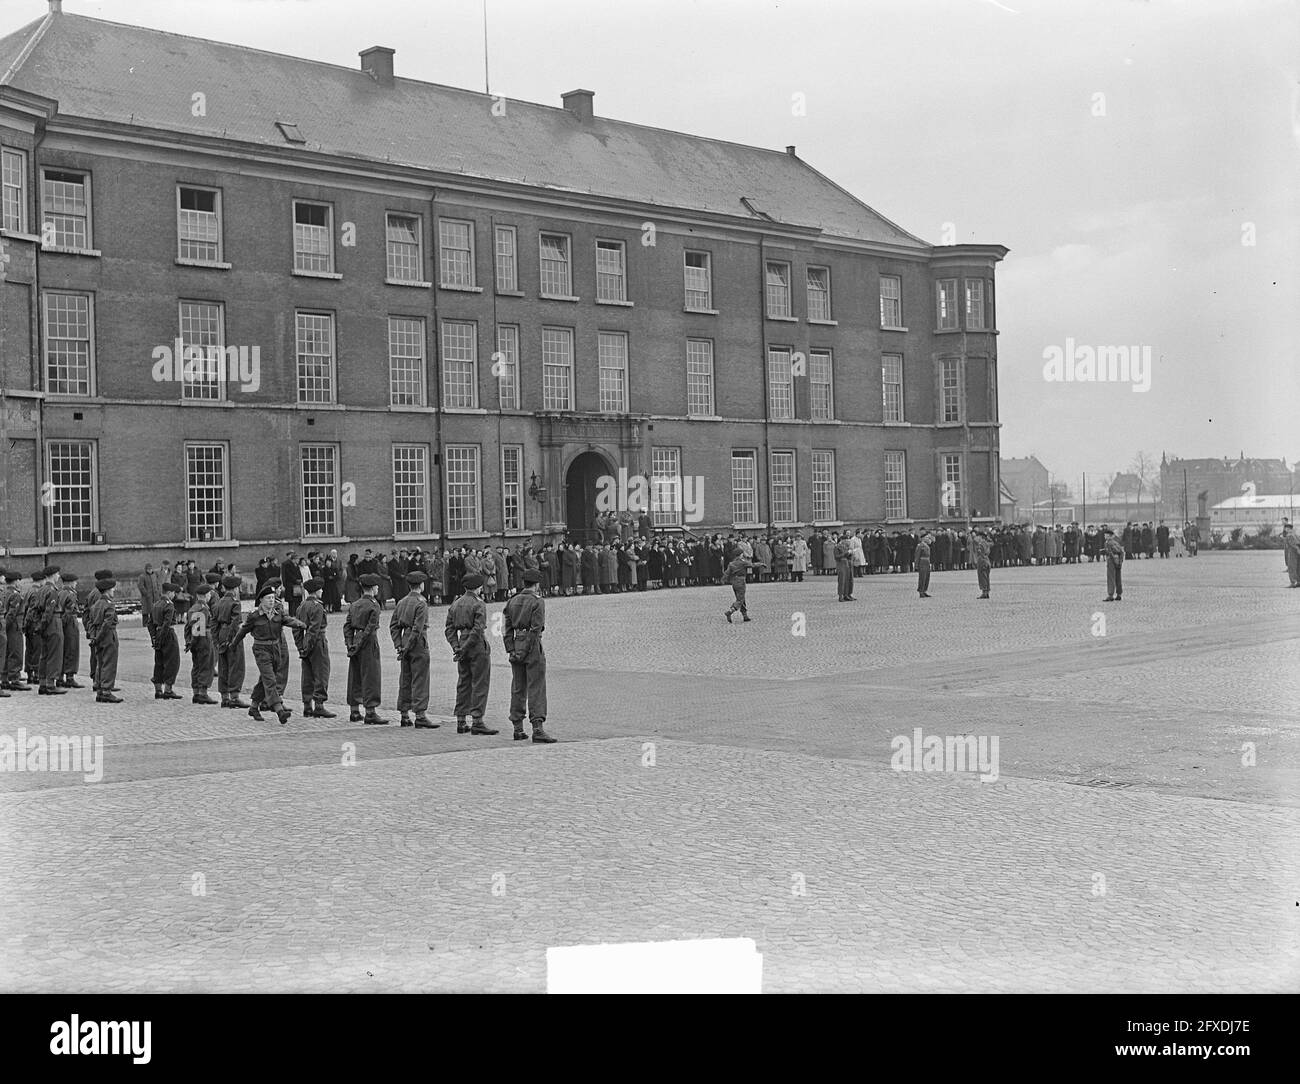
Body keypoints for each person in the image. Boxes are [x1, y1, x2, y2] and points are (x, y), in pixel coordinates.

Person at [230, 582, 306, 724]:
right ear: (261, 600)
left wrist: (301, 624)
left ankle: (253, 707)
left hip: (276, 649)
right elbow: (243, 631)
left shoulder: (278, 613)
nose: (272, 600)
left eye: (273, 597)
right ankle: (279, 710)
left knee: (265, 678)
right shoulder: (254, 616)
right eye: (268, 598)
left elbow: (287, 620)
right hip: (261, 650)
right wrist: (233, 644)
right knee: (270, 679)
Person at [503, 569, 555, 743]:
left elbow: (507, 629)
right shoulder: (537, 602)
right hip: (531, 647)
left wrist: (511, 649)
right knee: (536, 687)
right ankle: (537, 728)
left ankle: (517, 727)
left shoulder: (512, 601)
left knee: (518, 687)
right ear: (537, 584)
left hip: (517, 642)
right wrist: (525, 650)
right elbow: (536, 629)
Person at [444, 573, 497, 735]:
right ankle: (477, 720)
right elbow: (478, 629)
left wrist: (457, 647)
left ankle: (461, 720)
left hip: (461, 642)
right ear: (478, 587)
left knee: (464, 682)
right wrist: (465, 647)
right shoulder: (478, 604)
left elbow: (449, 629)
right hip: (475, 645)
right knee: (480, 682)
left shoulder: (456, 603)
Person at [390, 570, 436, 728]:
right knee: (420, 678)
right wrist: (408, 646)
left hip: (404, 639)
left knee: (405, 678)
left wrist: (400, 645)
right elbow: (417, 628)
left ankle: (404, 714)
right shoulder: (421, 603)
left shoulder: (401, 602)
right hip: (417, 642)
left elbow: (393, 626)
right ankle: (420, 714)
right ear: (421, 585)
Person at [344, 573, 387, 724]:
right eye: (376, 587)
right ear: (373, 588)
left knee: (355, 675)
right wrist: (360, 642)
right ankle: (370, 712)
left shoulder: (354, 604)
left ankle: (354, 711)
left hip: (355, 639)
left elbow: (348, 626)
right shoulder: (374, 605)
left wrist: (350, 644)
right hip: (368, 642)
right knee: (371, 676)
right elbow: (370, 628)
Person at [295, 576, 334, 718]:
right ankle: (319, 704)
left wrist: (301, 646)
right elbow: (314, 629)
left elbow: (296, 629)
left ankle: (307, 705)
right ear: (316, 591)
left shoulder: (301, 607)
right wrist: (309, 645)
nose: (322, 591)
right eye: (320, 589)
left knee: (307, 675)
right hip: (317, 642)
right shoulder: (317, 606)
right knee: (321, 673)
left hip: (305, 642)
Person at [212, 574, 250, 709]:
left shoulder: (219, 602)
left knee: (223, 665)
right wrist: (230, 640)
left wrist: (217, 640)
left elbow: (213, 622)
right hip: (233, 635)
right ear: (235, 589)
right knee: (236, 665)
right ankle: (234, 696)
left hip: (221, 633)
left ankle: (224, 696)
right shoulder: (235, 602)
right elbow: (235, 622)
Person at [88, 577, 121, 703]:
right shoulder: (109, 604)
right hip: (108, 635)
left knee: (100, 663)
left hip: (97, 635)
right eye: (112, 589)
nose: (113, 591)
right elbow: (107, 623)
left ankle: (100, 689)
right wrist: (100, 636)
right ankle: (107, 690)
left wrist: (94, 637)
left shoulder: (96, 605)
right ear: (107, 590)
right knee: (109, 663)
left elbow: (91, 622)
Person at [185, 583, 219, 704]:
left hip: (195, 641)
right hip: (203, 639)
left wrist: (189, 642)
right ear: (205, 595)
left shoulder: (193, 608)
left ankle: (196, 693)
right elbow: (199, 630)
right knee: (206, 665)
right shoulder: (203, 609)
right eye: (209, 594)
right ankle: (203, 693)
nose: (210, 596)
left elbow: (188, 627)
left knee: (196, 666)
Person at [150, 581, 184, 699]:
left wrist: (154, 637)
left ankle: (158, 689)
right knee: (172, 662)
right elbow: (167, 623)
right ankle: (168, 689)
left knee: (159, 662)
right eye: (173, 593)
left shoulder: (156, 604)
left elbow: (150, 624)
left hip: (158, 633)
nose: (174, 595)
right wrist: (161, 637)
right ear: (169, 593)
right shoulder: (169, 605)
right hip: (168, 634)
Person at [56, 571, 83, 688]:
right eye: (75, 582)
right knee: (72, 649)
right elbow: (69, 611)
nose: (76, 584)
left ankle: (60, 676)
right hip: (70, 623)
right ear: (71, 583)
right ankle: (70, 677)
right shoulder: (71, 594)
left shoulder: (59, 592)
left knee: (62, 649)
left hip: (60, 622)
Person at [2, 570, 27, 691]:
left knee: (6, 652)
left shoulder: (3, 593)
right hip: (14, 626)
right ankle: (15, 678)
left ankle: (5, 677)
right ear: (16, 581)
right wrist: (6, 626)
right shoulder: (16, 594)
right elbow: (12, 613)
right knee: (16, 652)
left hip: (5, 626)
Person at [722, 551, 756, 623]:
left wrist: (724, 580)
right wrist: (761, 564)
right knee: (740, 600)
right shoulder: (742, 562)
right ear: (740, 555)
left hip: (734, 582)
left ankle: (745, 616)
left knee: (741, 598)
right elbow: (752, 565)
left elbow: (727, 573)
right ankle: (730, 611)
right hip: (741, 580)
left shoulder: (731, 563)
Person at [1102, 527, 1125, 602]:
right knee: (1118, 577)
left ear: (1109, 536)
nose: (1105, 536)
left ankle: (1110, 594)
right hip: (1118, 561)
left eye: (1106, 535)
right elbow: (1121, 552)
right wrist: (1120, 561)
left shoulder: (1108, 543)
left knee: (1111, 578)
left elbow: (1109, 552)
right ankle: (1119, 594)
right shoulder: (1116, 542)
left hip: (1111, 561)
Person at [834, 534, 855, 602]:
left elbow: (848, 556)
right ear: (842, 540)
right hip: (841, 564)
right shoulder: (837, 547)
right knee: (842, 580)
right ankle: (840, 596)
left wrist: (850, 553)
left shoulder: (846, 547)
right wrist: (846, 553)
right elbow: (837, 557)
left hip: (847, 564)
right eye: (846, 540)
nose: (848, 541)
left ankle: (847, 594)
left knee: (848, 580)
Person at [973, 529, 992, 599]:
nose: (976, 538)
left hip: (982, 561)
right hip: (987, 561)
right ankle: (986, 592)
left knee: (982, 577)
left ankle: (984, 592)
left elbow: (981, 554)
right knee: (986, 577)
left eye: (977, 536)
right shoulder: (986, 543)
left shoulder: (981, 544)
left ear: (980, 537)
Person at [1283, 522, 1300, 588]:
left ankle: (1293, 582)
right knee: (1297, 567)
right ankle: (1298, 581)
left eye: (1286, 528)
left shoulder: (1289, 535)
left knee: (1291, 567)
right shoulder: (1296, 535)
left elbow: (1292, 544)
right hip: (1298, 553)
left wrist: (1297, 549)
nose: (1285, 529)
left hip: (1292, 553)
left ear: (1288, 528)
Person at [916, 532, 933, 598]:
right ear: (923, 538)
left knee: (927, 577)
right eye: (926, 537)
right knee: (922, 578)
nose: (928, 539)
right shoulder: (920, 545)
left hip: (927, 562)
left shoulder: (927, 545)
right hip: (922, 562)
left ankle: (925, 590)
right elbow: (917, 556)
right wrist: (917, 565)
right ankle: (921, 591)